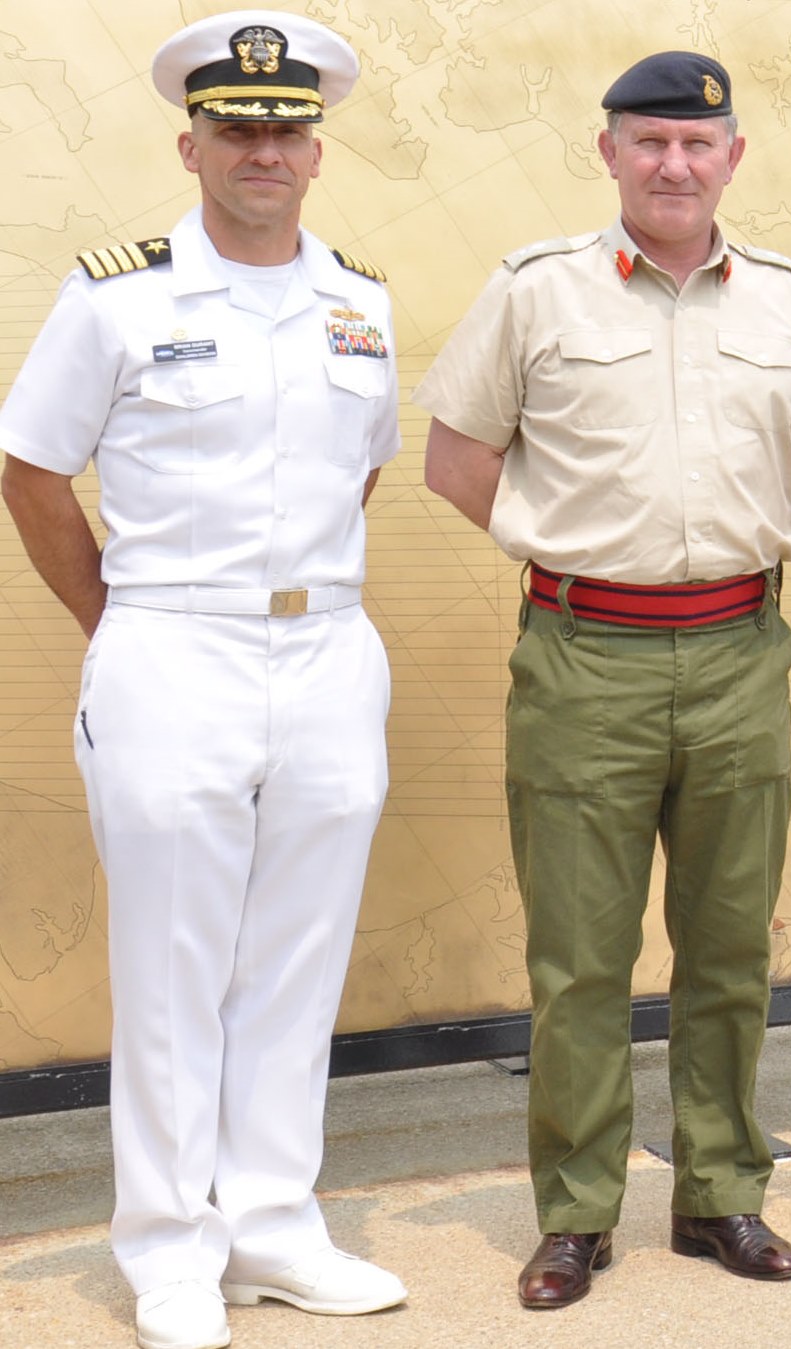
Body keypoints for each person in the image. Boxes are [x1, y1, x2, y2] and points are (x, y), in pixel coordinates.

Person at [415, 50, 791, 1307]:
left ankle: (722, 1191)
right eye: (649, 142)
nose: (675, 164)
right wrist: (572, 545)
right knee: (580, 959)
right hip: (581, 659)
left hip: (739, 654)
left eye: (697, 144)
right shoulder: (536, 292)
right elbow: (458, 460)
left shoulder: (785, 300)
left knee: (728, 948)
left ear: (732, 158)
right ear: (608, 153)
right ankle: (576, 1211)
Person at [0, 13, 407, 1348]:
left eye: (285, 127)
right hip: (172, 645)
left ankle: (276, 1227)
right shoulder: (117, 296)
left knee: (296, 957)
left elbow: (360, 471)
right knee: (173, 964)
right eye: (236, 125)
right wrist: (115, 614)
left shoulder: (363, 301)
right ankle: (171, 1247)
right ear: (191, 142)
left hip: (329, 648)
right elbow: (31, 468)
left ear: (316, 148)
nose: (263, 149)